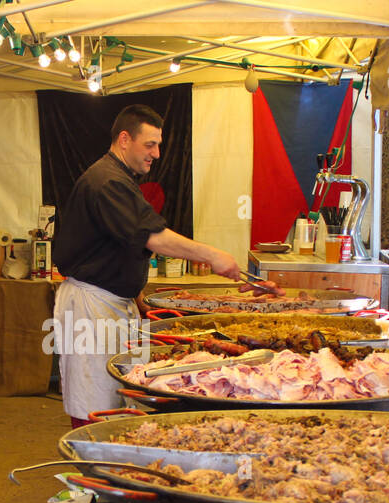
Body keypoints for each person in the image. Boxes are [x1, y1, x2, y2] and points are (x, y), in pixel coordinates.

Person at [51, 104, 273, 427]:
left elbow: (115, 246)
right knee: (95, 398)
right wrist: (212, 256)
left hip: (109, 302)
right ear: (124, 139)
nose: (156, 153)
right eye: (150, 144)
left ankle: (111, 460)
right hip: (92, 306)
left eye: (159, 144)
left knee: (115, 391)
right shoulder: (107, 181)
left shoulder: (118, 179)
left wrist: (136, 298)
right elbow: (153, 237)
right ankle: (93, 465)